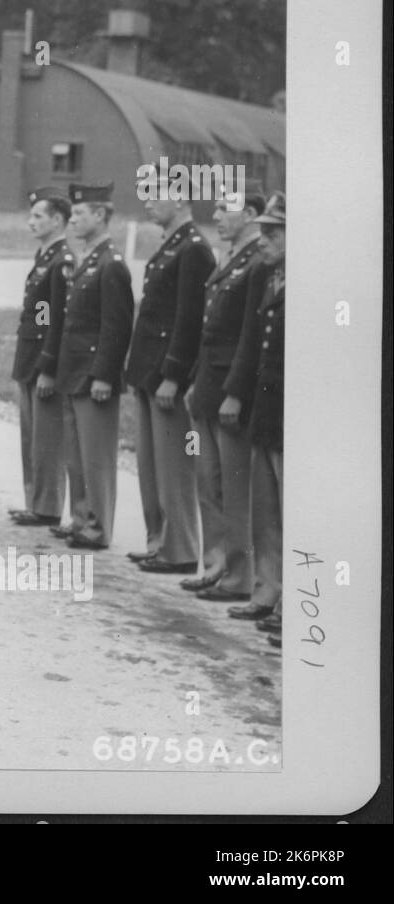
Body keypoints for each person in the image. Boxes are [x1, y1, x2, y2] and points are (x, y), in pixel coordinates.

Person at [124, 182, 216, 575]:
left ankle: (179, 549)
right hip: (150, 370)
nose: (147, 202)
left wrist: (174, 376)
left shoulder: (193, 247)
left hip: (167, 375)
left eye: (155, 195)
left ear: (180, 199)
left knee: (174, 464)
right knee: (150, 463)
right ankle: (158, 540)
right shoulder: (172, 243)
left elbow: (189, 319)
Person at [182, 184, 267, 602]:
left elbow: (248, 339)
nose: (215, 215)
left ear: (250, 213)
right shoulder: (231, 258)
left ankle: (240, 575)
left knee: (235, 487)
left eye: (223, 208)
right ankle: (216, 563)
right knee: (207, 480)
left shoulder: (257, 263)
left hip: (231, 394)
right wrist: (196, 381)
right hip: (208, 390)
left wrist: (234, 392)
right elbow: (210, 332)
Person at [53, 182, 134, 549]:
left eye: (80, 214)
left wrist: (104, 374)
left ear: (100, 216)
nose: (73, 220)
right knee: (77, 454)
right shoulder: (90, 259)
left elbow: (116, 327)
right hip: (75, 372)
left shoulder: (111, 264)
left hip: (94, 375)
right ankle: (82, 518)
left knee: (96, 457)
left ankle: (98, 527)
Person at [223, 193, 285, 630]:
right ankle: (268, 592)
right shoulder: (269, 277)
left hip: (289, 417)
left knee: (291, 512)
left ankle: (294, 607)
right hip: (265, 414)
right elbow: (252, 344)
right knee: (265, 512)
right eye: (261, 231)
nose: (263, 241)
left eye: (274, 233)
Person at [8, 186, 76, 527]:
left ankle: (47, 506)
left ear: (58, 220)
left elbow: (51, 318)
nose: (30, 222)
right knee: (31, 436)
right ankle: (35, 500)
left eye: (38, 216)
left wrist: (46, 365)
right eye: (31, 215)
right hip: (30, 357)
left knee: (46, 439)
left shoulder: (60, 261)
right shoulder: (45, 256)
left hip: (41, 360)